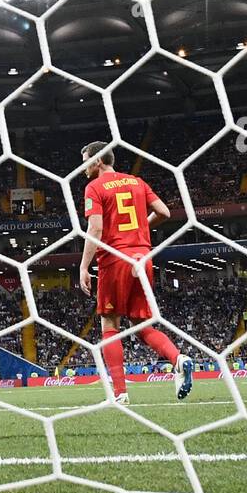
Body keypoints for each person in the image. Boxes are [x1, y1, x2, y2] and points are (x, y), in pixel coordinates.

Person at [78, 141, 193, 404]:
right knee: (142, 325)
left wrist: (84, 266)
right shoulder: (136, 181)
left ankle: (120, 393)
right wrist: (141, 228)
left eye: (85, 162)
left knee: (109, 324)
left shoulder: (94, 187)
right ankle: (178, 359)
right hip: (142, 258)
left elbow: (95, 229)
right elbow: (164, 212)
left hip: (114, 258)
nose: (82, 168)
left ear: (97, 162)